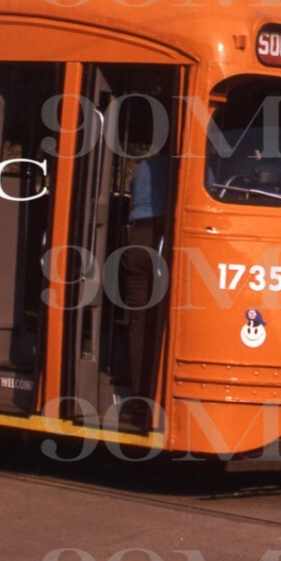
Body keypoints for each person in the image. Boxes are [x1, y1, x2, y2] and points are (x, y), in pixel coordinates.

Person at [120, 145, 169, 426]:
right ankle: (159, 395)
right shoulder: (191, 165)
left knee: (138, 321)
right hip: (165, 239)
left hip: (137, 239)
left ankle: (139, 400)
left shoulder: (143, 168)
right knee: (164, 321)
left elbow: (131, 199)